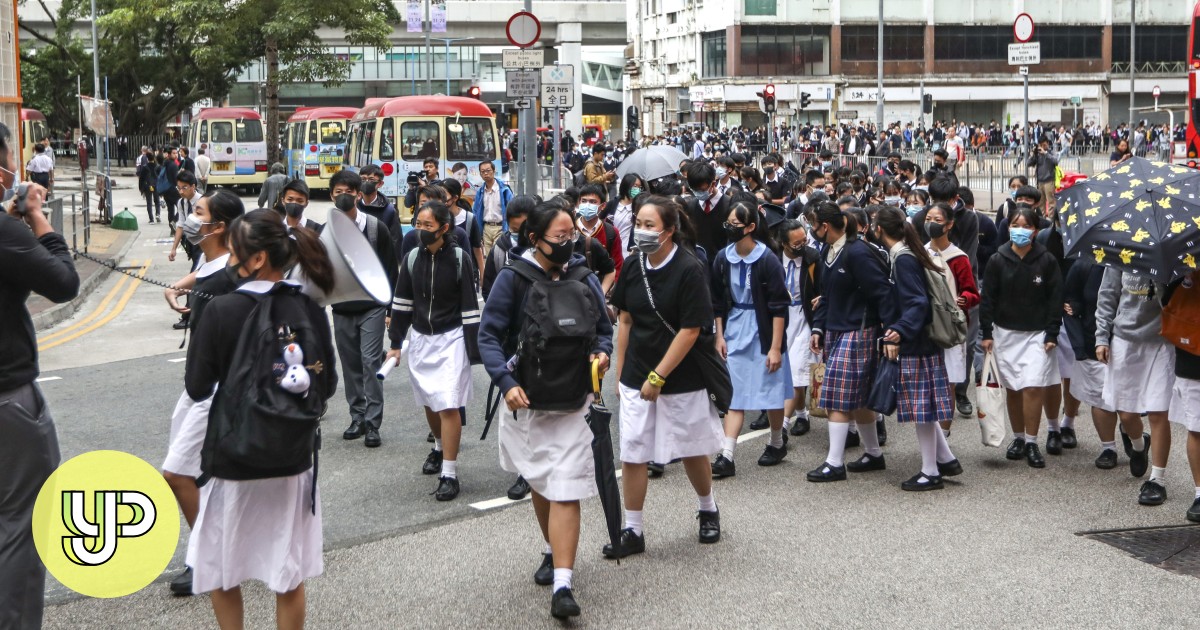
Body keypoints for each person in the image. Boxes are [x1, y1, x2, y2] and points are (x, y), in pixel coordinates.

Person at [185, 209, 336, 630]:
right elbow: (328, 383)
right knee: (287, 574)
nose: (228, 261)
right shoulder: (307, 306)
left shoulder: (220, 309)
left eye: (234, 252)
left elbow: (197, 387)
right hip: (292, 458)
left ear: (255, 260)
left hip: (235, 456)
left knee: (221, 567)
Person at [477, 202, 613, 619]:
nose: (568, 240)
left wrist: (602, 354)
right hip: (528, 400)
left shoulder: (583, 276)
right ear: (534, 239)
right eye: (559, 235)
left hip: (574, 399)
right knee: (541, 481)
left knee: (566, 487)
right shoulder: (513, 278)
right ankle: (553, 550)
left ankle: (563, 585)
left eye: (571, 232)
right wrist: (506, 381)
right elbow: (489, 336)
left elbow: (605, 330)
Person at [605, 195, 724, 558]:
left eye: (649, 225)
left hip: (681, 374)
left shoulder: (689, 268)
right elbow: (625, 320)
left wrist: (658, 377)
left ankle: (708, 508)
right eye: (638, 223)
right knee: (634, 450)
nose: (640, 231)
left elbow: (690, 330)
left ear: (669, 231)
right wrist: (622, 370)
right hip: (636, 372)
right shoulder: (633, 265)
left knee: (691, 447)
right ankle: (633, 529)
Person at [0, 124, 77, 629]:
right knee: (22, 524)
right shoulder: (4, 229)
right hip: (9, 397)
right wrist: (35, 215)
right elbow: (64, 283)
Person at [159, 190, 244, 596]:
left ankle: (206, 556)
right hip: (197, 386)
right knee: (202, 477)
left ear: (220, 226)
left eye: (198, 213)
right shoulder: (212, 265)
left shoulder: (234, 275)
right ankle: (216, 550)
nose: (191, 220)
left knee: (177, 473)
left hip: (216, 391)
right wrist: (177, 286)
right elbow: (207, 272)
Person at [387, 201, 479, 500]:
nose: (422, 230)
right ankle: (438, 447)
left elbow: (469, 307)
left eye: (428, 225)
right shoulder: (412, 258)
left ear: (444, 227)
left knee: (449, 403)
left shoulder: (459, 259)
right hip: (421, 339)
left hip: (451, 339)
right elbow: (401, 303)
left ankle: (449, 474)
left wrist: (474, 349)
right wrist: (395, 345)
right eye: (418, 224)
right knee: (430, 401)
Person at [873, 207, 962, 490]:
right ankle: (945, 459)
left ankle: (930, 471)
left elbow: (917, 303)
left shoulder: (903, 259)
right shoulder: (908, 253)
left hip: (917, 343)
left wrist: (899, 330)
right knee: (925, 408)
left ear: (879, 230)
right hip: (923, 340)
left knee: (922, 411)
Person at [807, 202, 891, 482]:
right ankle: (874, 453)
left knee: (837, 398)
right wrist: (818, 328)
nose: (812, 230)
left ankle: (834, 463)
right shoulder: (829, 250)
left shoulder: (857, 253)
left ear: (825, 226)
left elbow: (881, 292)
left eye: (814, 225)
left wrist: (890, 331)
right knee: (860, 398)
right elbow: (826, 294)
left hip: (858, 330)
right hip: (837, 329)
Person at [709, 196, 791, 477]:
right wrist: (719, 336)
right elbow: (717, 302)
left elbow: (779, 307)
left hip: (764, 329)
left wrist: (776, 348)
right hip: (734, 329)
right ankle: (727, 455)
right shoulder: (723, 258)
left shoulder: (767, 259)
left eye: (735, 224)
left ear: (751, 226)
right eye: (728, 223)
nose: (730, 228)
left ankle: (777, 441)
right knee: (734, 395)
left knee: (771, 391)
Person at [980, 207, 1062, 469]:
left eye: (1026, 226)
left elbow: (1055, 298)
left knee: (1033, 386)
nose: (1020, 230)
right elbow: (988, 298)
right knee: (1013, 388)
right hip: (1005, 332)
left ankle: (1031, 441)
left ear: (1035, 231)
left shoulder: (1046, 260)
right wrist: (987, 333)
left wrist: (1052, 332)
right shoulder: (997, 259)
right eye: (1015, 224)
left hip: (1037, 335)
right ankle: (1016, 438)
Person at [327, 171, 398, 449]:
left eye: (348, 191)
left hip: (373, 307)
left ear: (358, 194)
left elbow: (391, 269)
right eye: (337, 191)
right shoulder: (327, 230)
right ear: (332, 195)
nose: (342, 196)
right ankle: (356, 416)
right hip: (342, 308)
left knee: (370, 362)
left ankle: (372, 422)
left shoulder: (375, 227)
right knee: (350, 365)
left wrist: (391, 308)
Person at [1095, 267, 1172, 505]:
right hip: (1125, 340)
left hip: (1162, 341)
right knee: (1127, 414)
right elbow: (1107, 295)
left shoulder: (1171, 255)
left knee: (1159, 412)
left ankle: (1157, 480)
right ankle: (1139, 445)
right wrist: (1101, 337)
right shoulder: (1121, 248)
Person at [1063, 258, 1125, 471]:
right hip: (1093, 343)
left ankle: (1135, 438)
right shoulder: (1085, 266)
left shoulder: (1140, 266)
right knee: (1100, 398)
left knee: (1126, 401)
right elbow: (1070, 300)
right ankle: (1109, 447)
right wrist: (1079, 344)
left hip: (1131, 341)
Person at [923, 202, 979, 432]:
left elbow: (972, 292)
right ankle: (929, 436)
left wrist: (963, 299)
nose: (931, 224)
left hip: (951, 329)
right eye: (928, 218)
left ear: (949, 225)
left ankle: (943, 434)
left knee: (948, 383)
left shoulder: (958, 258)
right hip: (926, 326)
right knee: (927, 384)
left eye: (937, 220)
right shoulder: (920, 253)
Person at [777, 218, 820, 436]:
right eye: (796, 243)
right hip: (781, 319)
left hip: (806, 317)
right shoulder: (773, 260)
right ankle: (801, 414)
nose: (802, 245)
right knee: (792, 372)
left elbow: (822, 288)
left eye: (805, 240)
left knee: (795, 369)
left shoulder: (813, 258)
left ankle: (781, 427)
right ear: (784, 244)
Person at [1162, 273, 1200, 521]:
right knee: (1197, 429)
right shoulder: (1181, 272)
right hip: (1191, 363)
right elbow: (1166, 304)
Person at [576, 184, 624, 282]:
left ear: (603, 206)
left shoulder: (611, 232)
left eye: (593, 202)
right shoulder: (571, 228)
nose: (587, 205)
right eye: (584, 201)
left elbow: (618, 265)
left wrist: (609, 290)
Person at [682, 163, 730, 260]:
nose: (698, 193)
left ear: (713, 183)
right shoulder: (691, 206)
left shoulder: (729, 205)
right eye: (694, 190)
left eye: (701, 190)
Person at [473, 160, 514, 255]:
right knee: (488, 258)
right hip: (486, 228)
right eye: (482, 171)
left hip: (501, 227)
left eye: (488, 170)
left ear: (494, 171)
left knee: (498, 256)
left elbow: (512, 210)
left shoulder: (504, 190)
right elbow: (476, 212)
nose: (486, 173)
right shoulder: (480, 192)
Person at [356, 164, 400, 237]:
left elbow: (395, 239)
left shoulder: (389, 210)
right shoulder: (353, 206)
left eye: (371, 179)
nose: (366, 182)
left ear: (380, 184)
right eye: (363, 179)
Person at [610, 174, 643, 255]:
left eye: (639, 187)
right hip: (612, 247)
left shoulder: (639, 207)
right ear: (627, 185)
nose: (637, 189)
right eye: (635, 186)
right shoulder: (613, 204)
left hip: (628, 250)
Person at [1028, 137, 1059, 215]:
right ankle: (1042, 220)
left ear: (1048, 144)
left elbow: (1056, 161)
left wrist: (1045, 153)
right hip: (1040, 181)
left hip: (1049, 180)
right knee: (1041, 203)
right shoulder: (1038, 154)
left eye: (1044, 145)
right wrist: (1033, 154)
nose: (1042, 147)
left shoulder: (1051, 152)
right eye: (1041, 145)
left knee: (1051, 202)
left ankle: (1051, 221)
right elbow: (1028, 163)